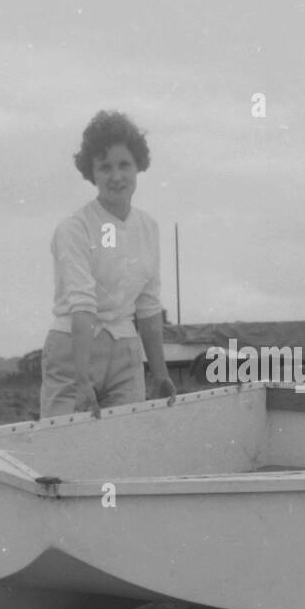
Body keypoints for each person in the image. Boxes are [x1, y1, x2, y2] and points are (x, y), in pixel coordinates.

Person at [40, 110, 176, 417]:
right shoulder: (74, 228)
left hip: (126, 352)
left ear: (138, 165)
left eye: (124, 164)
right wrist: (81, 379)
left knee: (123, 451)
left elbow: (149, 307)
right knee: (67, 449)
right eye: (105, 167)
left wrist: (160, 373)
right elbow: (83, 305)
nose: (116, 176)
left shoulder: (149, 227)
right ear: (92, 173)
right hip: (72, 352)